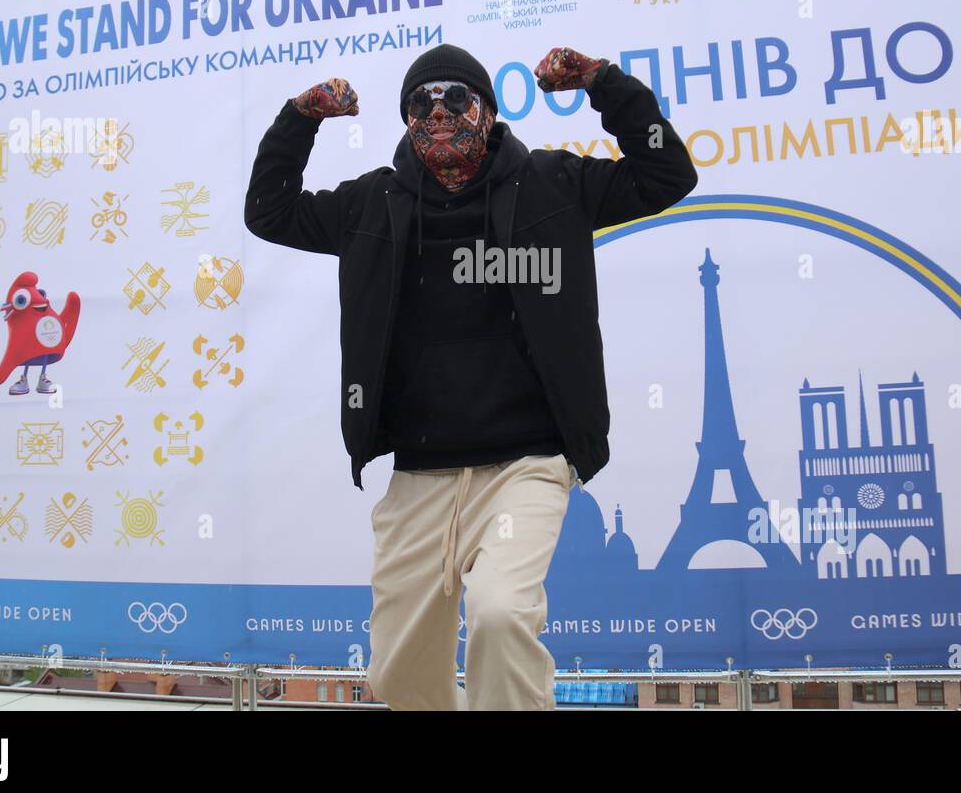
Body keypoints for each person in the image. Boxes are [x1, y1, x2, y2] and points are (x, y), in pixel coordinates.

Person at [245, 43, 696, 709]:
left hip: (526, 464)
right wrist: (299, 117)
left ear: (486, 108)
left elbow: (667, 174)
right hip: (418, 477)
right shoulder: (373, 203)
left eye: (455, 98)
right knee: (398, 673)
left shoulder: (554, 185)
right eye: (420, 105)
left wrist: (604, 82)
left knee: (500, 614)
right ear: (403, 121)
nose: (439, 116)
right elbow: (269, 210)